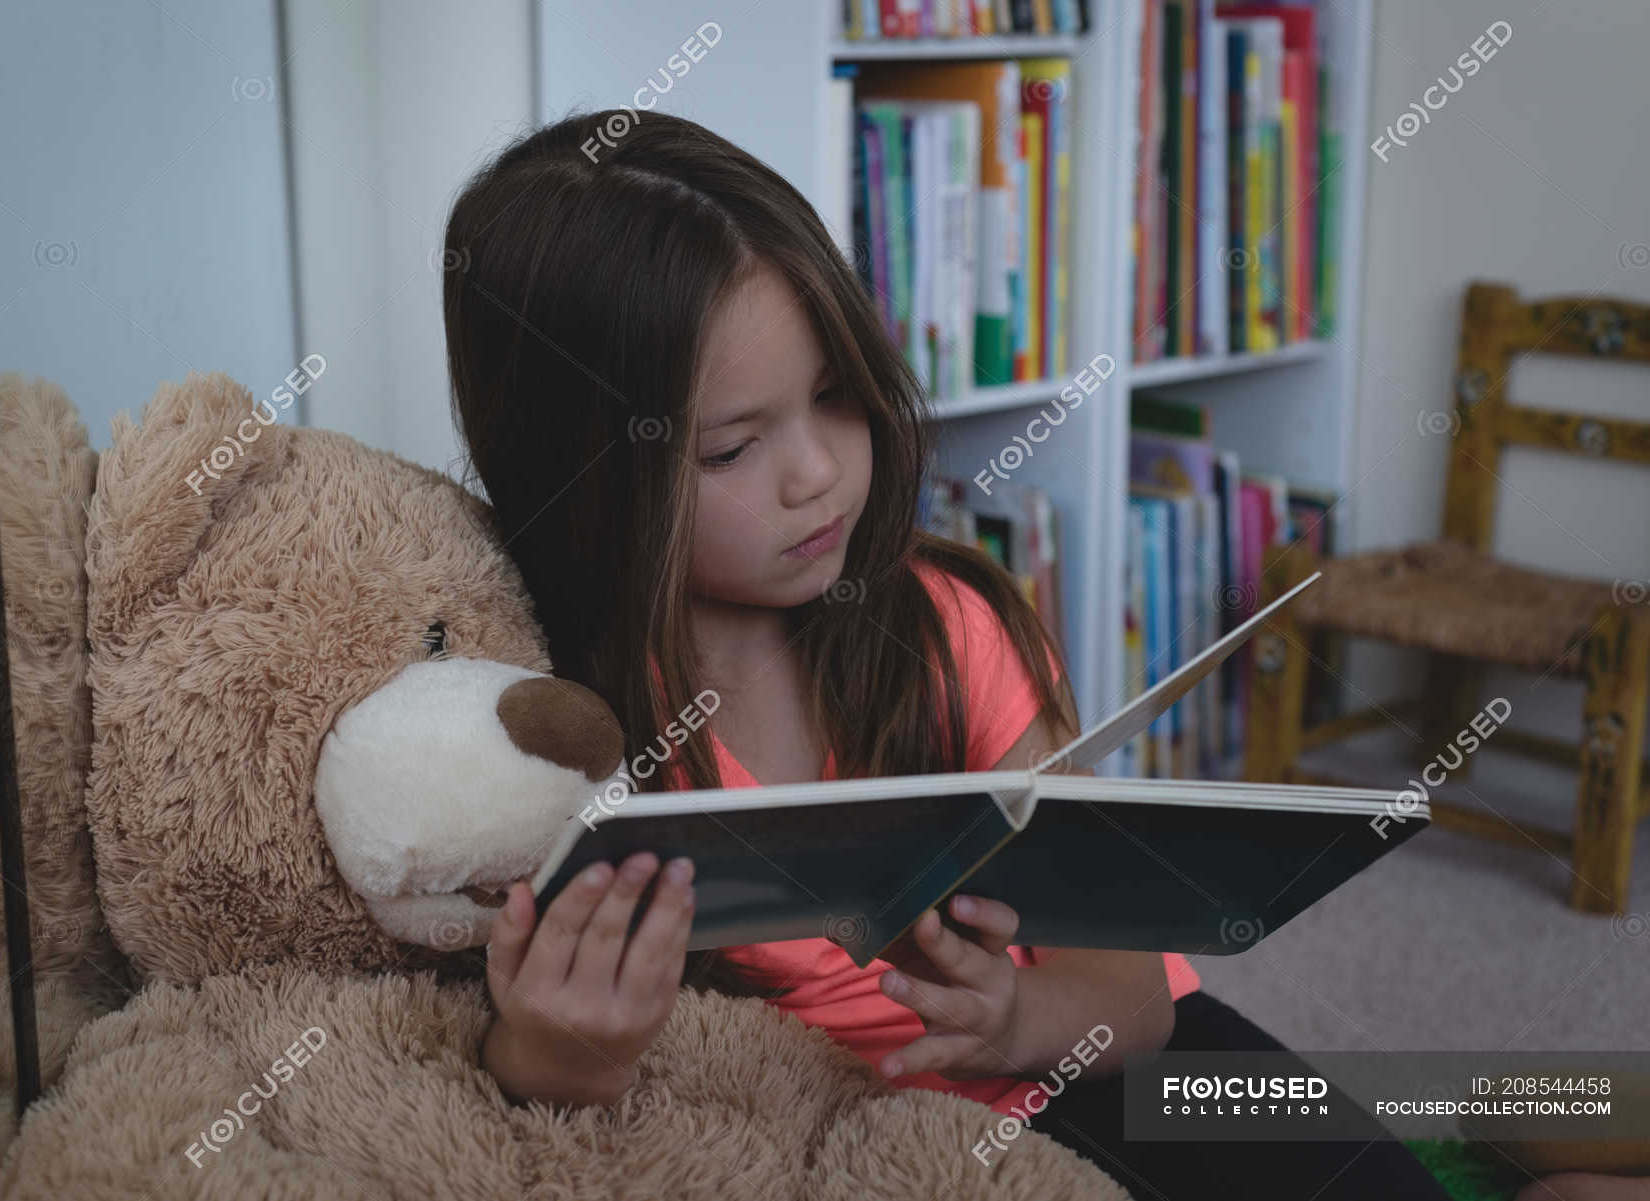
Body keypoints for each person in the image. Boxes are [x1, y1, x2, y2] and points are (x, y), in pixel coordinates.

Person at [443, 108, 1451, 1200]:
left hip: (1109, 1055)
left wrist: (1024, 1020)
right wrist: (554, 1050)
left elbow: (1135, 993)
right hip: (875, 1142)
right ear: (583, 474)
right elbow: (525, 1077)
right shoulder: (545, 718)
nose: (818, 471)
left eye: (837, 395)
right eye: (734, 445)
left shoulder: (947, 620)